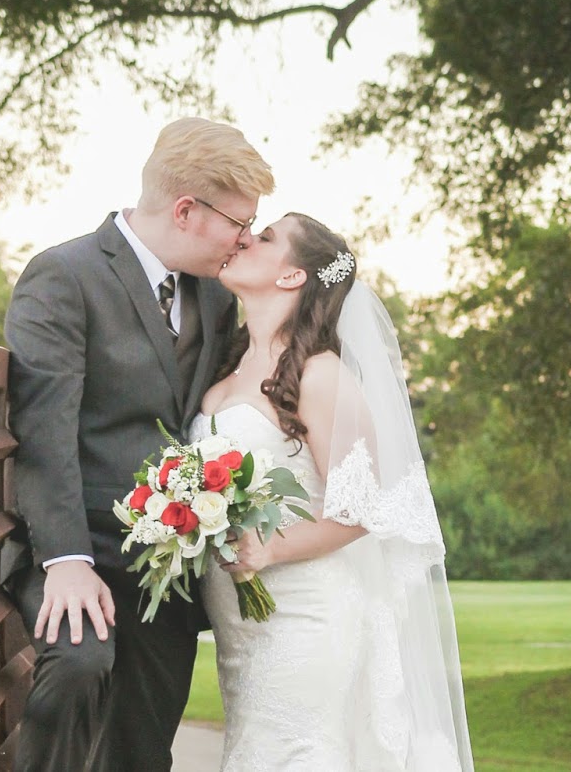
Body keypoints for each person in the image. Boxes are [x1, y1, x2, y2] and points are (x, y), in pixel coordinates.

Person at [1, 117, 274, 772]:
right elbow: (44, 429)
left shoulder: (213, 296)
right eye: (241, 221)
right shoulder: (64, 275)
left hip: (167, 568)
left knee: (144, 748)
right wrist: (63, 559)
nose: (245, 239)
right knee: (77, 666)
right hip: (75, 548)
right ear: (187, 210)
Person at [191, 213, 475, 771]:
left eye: (266, 237)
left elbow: (361, 513)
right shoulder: (230, 365)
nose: (246, 237)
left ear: (294, 277)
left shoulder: (321, 376)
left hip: (306, 616)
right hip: (241, 628)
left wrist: (269, 549)